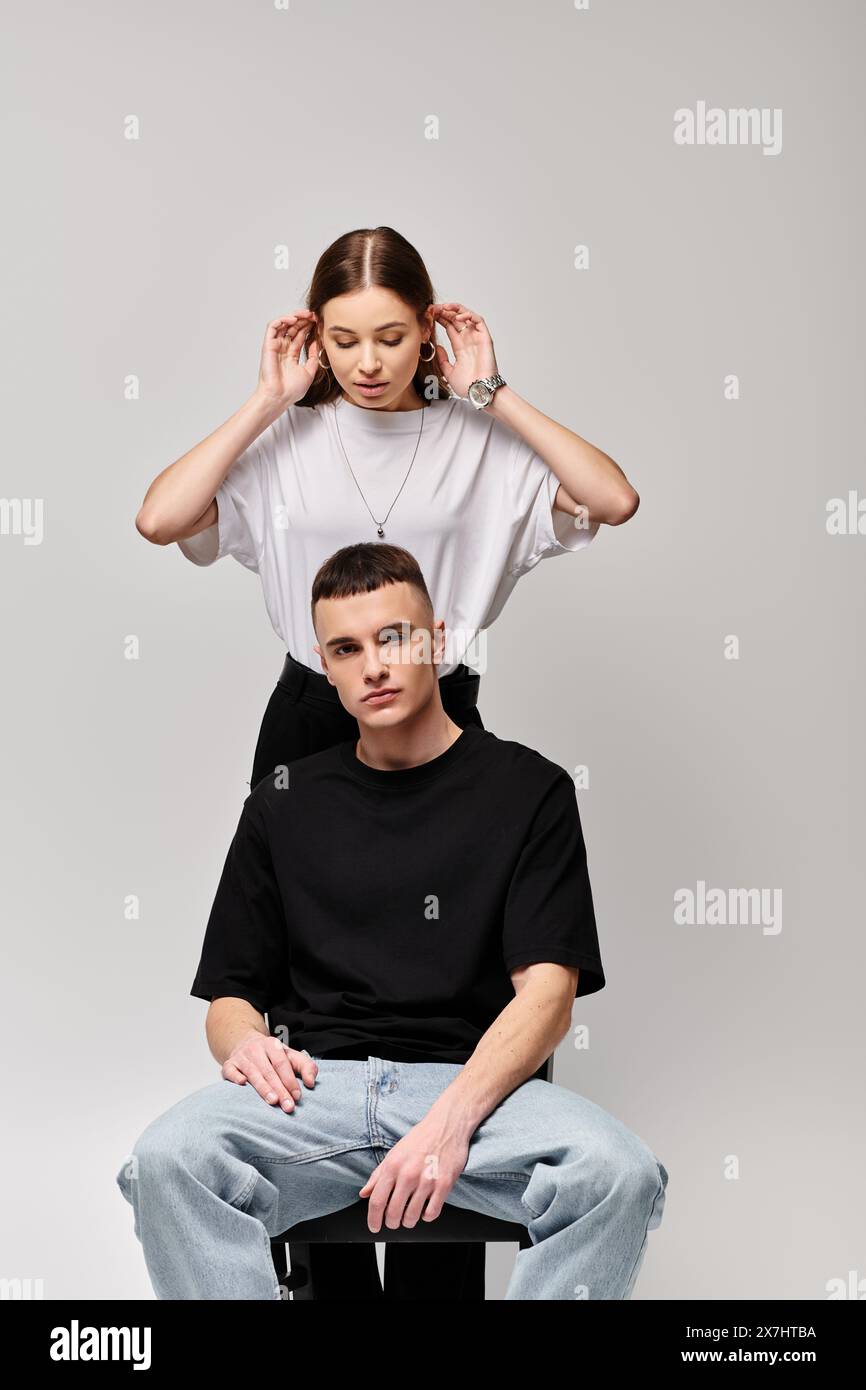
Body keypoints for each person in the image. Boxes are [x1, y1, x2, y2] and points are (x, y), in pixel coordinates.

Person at [133, 224, 640, 1299]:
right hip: (307, 718)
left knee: (456, 983)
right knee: (301, 1002)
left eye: (393, 337)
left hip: (438, 706)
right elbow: (160, 516)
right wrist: (266, 400)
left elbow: (611, 498)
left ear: (430, 334)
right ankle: (317, 1274)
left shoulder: (474, 440)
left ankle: (444, 1205)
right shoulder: (289, 438)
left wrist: (491, 391)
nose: (368, 362)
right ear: (313, 339)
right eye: (344, 339)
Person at [115, 544, 669, 1301]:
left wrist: (449, 1122)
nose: (373, 666)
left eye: (394, 638)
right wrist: (245, 1043)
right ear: (325, 667)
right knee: (168, 1160)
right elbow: (230, 994)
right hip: (315, 1096)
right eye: (347, 649)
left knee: (617, 1175)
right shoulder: (282, 801)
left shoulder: (529, 789)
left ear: (437, 640)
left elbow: (548, 997)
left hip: (477, 1094)